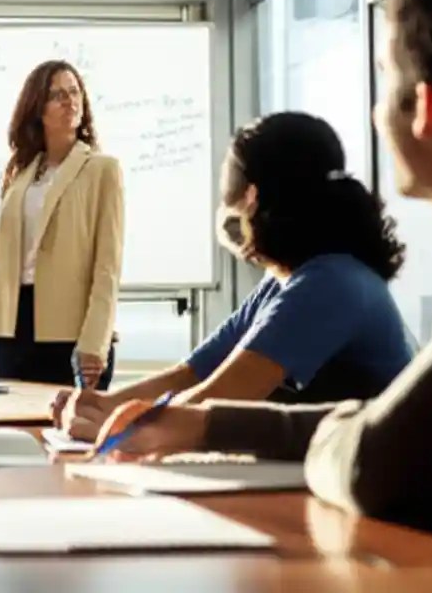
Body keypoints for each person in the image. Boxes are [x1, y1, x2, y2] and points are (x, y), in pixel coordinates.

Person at [86, 0, 432, 559]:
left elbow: (377, 462)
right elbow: (379, 424)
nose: (375, 113)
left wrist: (242, 427)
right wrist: (206, 424)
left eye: (385, 79)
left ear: (426, 107)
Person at [51, 112, 413, 438]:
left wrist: (119, 427)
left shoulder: (329, 284)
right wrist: (104, 403)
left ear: (252, 197)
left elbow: (218, 397)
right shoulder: (285, 281)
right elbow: (192, 374)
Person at [0, 60, 124, 388]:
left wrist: (96, 341)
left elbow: (108, 266)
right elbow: (6, 258)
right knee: (16, 419)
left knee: (71, 421)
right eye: (57, 95)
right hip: (14, 326)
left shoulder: (102, 169)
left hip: (71, 329)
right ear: (37, 108)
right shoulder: (21, 174)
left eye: (74, 92)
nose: (69, 101)